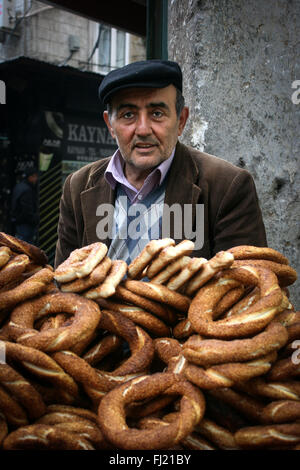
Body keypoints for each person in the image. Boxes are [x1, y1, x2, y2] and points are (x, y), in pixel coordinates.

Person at [55, 60, 267, 268]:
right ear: (110, 125)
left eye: (157, 114)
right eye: (128, 115)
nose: (143, 129)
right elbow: (63, 286)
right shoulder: (78, 186)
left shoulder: (227, 186)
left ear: (181, 120)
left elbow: (245, 288)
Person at [11, 167, 39, 244]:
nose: (36, 179)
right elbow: (27, 209)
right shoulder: (27, 190)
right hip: (26, 224)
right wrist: (34, 219)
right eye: (35, 176)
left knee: (20, 245)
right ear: (30, 177)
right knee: (27, 247)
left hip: (19, 222)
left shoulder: (19, 186)